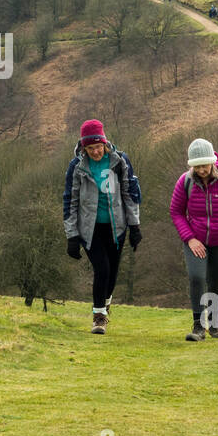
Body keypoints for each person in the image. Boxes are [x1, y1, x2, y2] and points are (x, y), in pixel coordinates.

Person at [63, 119, 141, 334]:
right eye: (90, 148)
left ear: (105, 144)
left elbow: (130, 193)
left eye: (98, 147)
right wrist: (71, 236)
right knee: (102, 269)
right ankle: (99, 317)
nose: (95, 151)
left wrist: (134, 226)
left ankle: (105, 305)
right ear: (84, 148)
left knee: (113, 272)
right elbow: (70, 200)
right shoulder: (77, 167)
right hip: (90, 228)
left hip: (117, 227)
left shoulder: (119, 161)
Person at [169, 138, 218, 341]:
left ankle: (214, 324)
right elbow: (176, 211)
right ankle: (198, 326)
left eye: (204, 165)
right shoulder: (185, 181)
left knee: (214, 282)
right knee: (196, 278)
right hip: (195, 241)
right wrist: (190, 238)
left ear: (212, 161)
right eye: (196, 166)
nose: (201, 170)